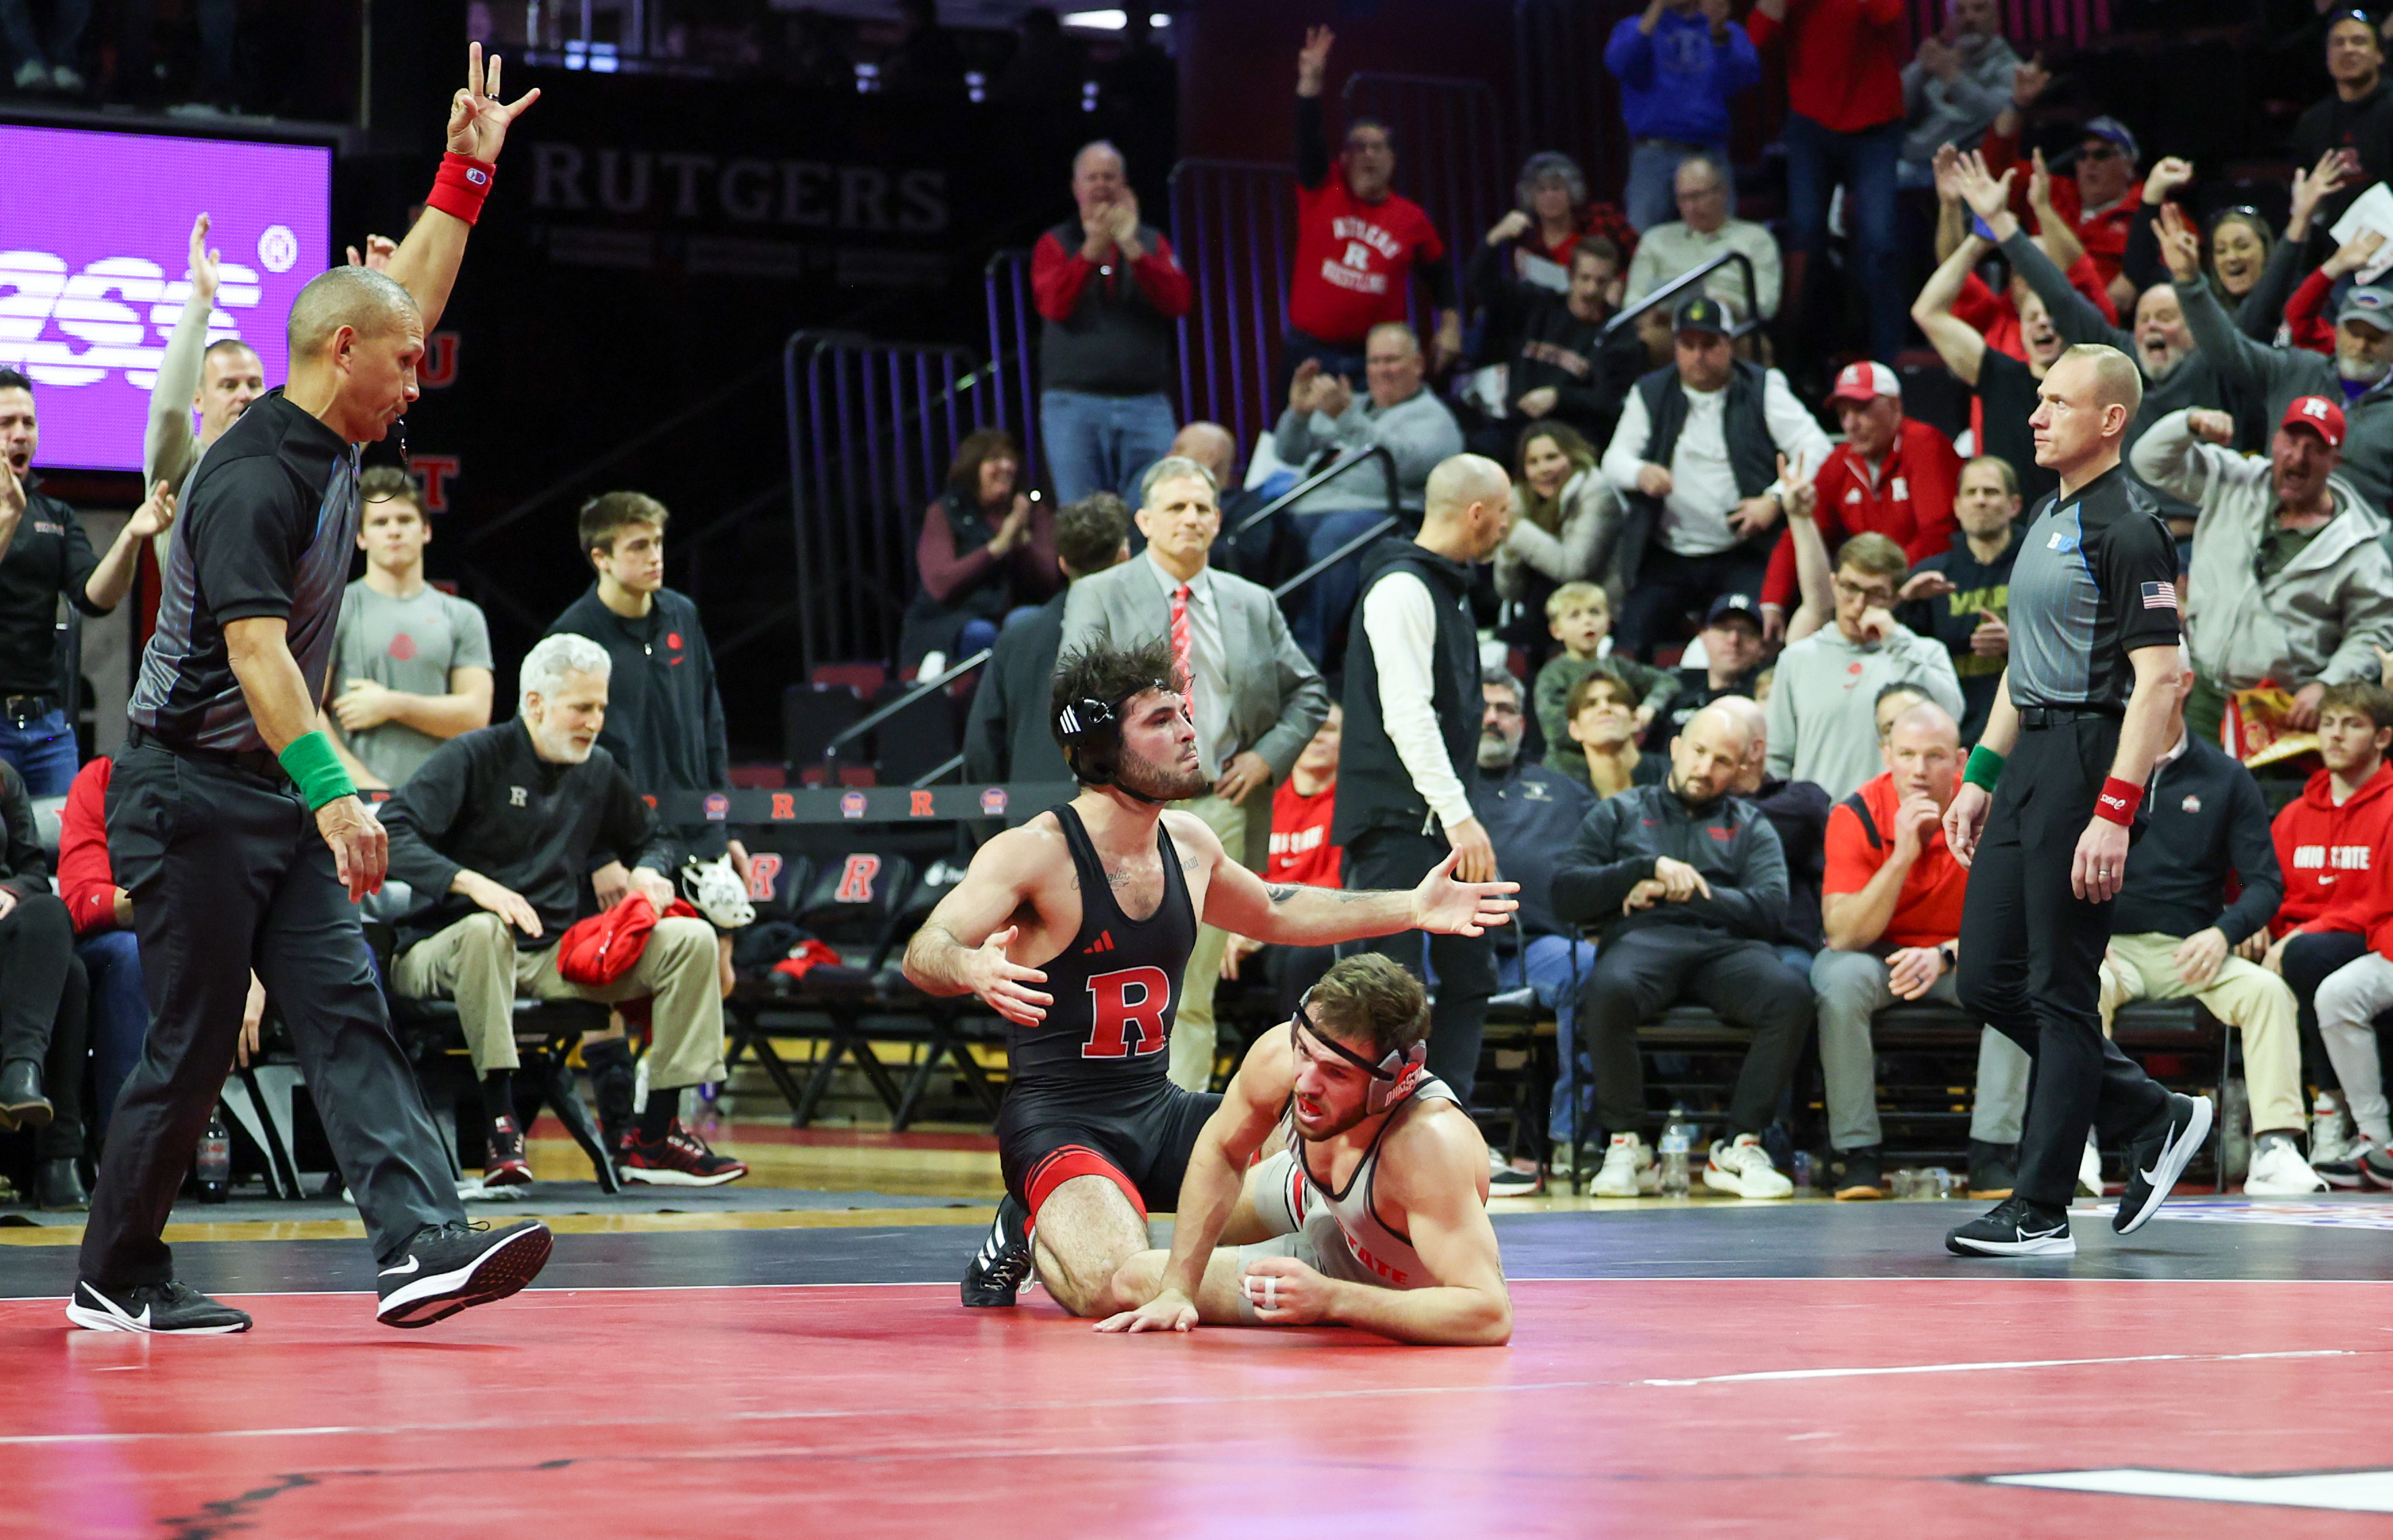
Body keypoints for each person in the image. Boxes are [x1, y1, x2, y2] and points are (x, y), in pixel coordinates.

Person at [74, 47, 553, 1335]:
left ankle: (417, 1248)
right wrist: (338, 794)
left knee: (343, 1009)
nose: (415, 385)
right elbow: (255, 656)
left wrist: (467, 167)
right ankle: (112, 1276)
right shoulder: (250, 477)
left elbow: (415, 287)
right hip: (187, 794)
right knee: (185, 1054)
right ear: (345, 354)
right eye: (403, 368)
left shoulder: (341, 418)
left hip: (270, 792)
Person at [901, 634, 1516, 1316]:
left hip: (1162, 1113)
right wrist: (969, 964)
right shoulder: (1034, 854)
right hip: (1061, 1123)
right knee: (1117, 1286)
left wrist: (1410, 906)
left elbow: (1275, 911)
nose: (1189, 732)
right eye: (1160, 721)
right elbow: (925, 946)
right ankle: (1035, 1217)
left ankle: (1356, 1252)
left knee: (1344, 1126)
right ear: (1103, 749)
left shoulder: (1188, 844)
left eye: (1184, 714)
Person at [1940, 342, 2213, 1260]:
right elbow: (2022, 667)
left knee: (2060, 990)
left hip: (2091, 755)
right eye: (2038, 399)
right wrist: (1978, 777)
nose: (2033, 414)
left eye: (2056, 401)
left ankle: (2042, 1207)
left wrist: (2113, 808)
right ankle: (2151, 1111)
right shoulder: (2045, 518)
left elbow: (2159, 680)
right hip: (2029, 761)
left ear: (2109, 421)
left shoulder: (2129, 528)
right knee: (1983, 977)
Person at [384, 635, 746, 1190]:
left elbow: (658, 837)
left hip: (552, 956)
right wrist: (473, 884)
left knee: (690, 938)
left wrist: (650, 867)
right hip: (443, 950)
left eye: (600, 707)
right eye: (581, 707)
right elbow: (393, 832)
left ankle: (656, 1135)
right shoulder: (473, 756)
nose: (594, 720)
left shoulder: (597, 770)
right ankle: (501, 1129)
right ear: (534, 704)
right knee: (486, 929)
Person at [1061, 457, 1331, 1093]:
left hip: (1220, 809)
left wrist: (1268, 756)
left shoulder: (1253, 602)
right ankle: (1101, 1120)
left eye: (1203, 508)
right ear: (1145, 520)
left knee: (1189, 984)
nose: (1191, 518)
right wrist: (1124, 773)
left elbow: (1310, 693)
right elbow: (1073, 697)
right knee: (1116, 976)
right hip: (1122, 812)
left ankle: (1173, 1138)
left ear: (1217, 521)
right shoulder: (1098, 592)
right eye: (1176, 507)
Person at [1095, 954, 1512, 1345]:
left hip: (1359, 1271)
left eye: (1336, 1072)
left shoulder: (1427, 1147)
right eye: (1305, 1052)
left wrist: (1333, 1299)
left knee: (1133, 1278)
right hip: (1312, 1189)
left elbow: (1489, 1313)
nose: (1306, 1084)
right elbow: (1223, 1151)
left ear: (1392, 1082)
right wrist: (1178, 1290)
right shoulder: (1282, 1055)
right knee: (1158, 1246)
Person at [1557, 704, 1811, 1199]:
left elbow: (1772, 910)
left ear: (1739, 770)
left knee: (1791, 994)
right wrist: (1641, 869)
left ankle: (1739, 1144)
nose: (1705, 768)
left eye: (1722, 760)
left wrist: (1695, 891)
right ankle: (1629, 1144)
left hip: (1728, 947)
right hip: (1644, 940)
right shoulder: (1620, 811)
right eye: (1698, 752)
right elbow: (1566, 892)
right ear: (1675, 748)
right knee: (1607, 986)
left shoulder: (1750, 824)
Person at [2091, 649, 2319, 1196]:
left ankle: (2275, 1147)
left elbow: (2266, 883)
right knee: (2073, 990)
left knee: (2267, 991)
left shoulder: (2225, 777)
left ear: (2184, 682)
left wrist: (2224, 933)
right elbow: (2052, 863)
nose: (2133, 690)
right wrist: (2079, 937)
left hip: (2192, 950)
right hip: (2107, 948)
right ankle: (2079, 1143)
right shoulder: (2094, 761)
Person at [1336, 455, 1519, 1101]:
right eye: (1503, 513)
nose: (1506, 526)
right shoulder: (1402, 588)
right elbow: (1407, 714)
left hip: (1437, 824)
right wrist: (1460, 814)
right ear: (1476, 513)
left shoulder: (1447, 590)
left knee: (1473, 976)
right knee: (1384, 993)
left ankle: (1444, 1118)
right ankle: (1369, 1134)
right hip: (1398, 826)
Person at [1953, 153, 2263, 530]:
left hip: (2206, 538)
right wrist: (2002, 224)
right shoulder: (2121, 359)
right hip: (2128, 543)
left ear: (2196, 329)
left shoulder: (2215, 362)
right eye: (2145, 319)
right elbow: (2061, 297)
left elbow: (2254, 314)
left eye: (2166, 319)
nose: (2152, 328)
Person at [1812, 699, 2031, 1202]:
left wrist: (1945, 954)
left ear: (1959, 762)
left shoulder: (1989, 808)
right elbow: (1843, 935)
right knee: (1837, 979)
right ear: (1886, 754)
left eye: (1934, 756)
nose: (1918, 769)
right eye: (1906, 754)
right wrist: (1903, 854)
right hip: (1877, 957)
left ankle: (1993, 1153)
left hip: (1963, 956)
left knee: (2018, 983)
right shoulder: (1855, 814)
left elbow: (2018, 921)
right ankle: (1859, 1155)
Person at [2134, 399, 2393, 746]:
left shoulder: (2359, 546)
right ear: (2274, 441)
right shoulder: (2232, 480)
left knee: (2267, 800)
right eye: (2291, 441)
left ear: (2335, 462)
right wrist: (2189, 421)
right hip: (2203, 691)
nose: (2298, 457)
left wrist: (2328, 684)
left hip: (2281, 710)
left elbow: (2373, 631)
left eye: (2314, 449)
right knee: (2190, 795)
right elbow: (2149, 461)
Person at [1600, 295, 1832, 659]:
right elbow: (1613, 460)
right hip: (1670, 552)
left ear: (1729, 345)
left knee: (1760, 636)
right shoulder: (1650, 392)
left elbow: (1816, 447)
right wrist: (1640, 472)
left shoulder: (1762, 386)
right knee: (1631, 637)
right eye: (1688, 345)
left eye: (1709, 345)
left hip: (1742, 550)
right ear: (1675, 346)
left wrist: (1773, 499)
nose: (1698, 355)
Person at [0, 378, 178, 794]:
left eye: (29, 422)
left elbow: (97, 598)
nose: (21, 434)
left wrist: (132, 537)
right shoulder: (16, 510)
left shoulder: (54, 514)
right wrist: (9, 516)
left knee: (66, 847)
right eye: (6, 423)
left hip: (46, 728)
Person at [2261, 681, 2393, 1179]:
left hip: (2367, 936)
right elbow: (2268, 888)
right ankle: (2330, 1125)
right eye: (2328, 723)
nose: (2335, 736)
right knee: (2293, 961)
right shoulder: (2295, 814)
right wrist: (2258, 928)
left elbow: (2380, 904)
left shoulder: (2389, 805)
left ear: (2382, 738)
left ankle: (2330, 1112)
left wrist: (2306, 931)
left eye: (2352, 725)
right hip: (2306, 942)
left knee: (2306, 958)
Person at [1273, 323, 1464, 664]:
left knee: (1335, 537)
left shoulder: (1435, 419)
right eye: (1374, 361)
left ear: (1418, 364)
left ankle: (1302, 656)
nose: (1381, 370)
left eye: (1392, 360)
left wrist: (1346, 417)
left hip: (1379, 517)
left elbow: (1404, 464)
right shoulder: (1353, 403)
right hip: (1307, 504)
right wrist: (1299, 414)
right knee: (1248, 528)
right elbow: (1290, 452)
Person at [1473, 667, 1601, 1170]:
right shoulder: (1437, 787)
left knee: (1589, 965)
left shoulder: (1564, 792)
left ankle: (1571, 1138)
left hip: (1536, 950)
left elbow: (1602, 865)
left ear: (1523, 724)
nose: (1492, 719)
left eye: (1504, 710)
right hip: (1443, 945)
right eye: (1483, 707)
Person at [1286, 26, 1461, 390]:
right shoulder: (1323, 187)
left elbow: (1441, 276)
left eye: (1378, 148)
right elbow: (1308, 136)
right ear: (1344, 158)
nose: (1369, 155)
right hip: (1310, 352)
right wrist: (1310, 84)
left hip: (1374, 362)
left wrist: (1451, 327)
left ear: (1393, 160)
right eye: (1360, 147)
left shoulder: (1411, 218)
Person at [1031, 141, 1192, 507]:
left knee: (1158, 513)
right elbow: (1053, 306)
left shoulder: (1151, 242)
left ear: (1125, 186)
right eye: (1092, 178)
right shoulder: (1055, 243)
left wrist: (1132, 247)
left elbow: (1178, 302)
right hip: (1073, 405)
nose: (1101, 185)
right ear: (1076, 188)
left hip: (1145, 405)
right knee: (1084, 523)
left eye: (1110, 177)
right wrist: (1092, 249)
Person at [1747, 0, 1908, 361]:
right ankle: (1805, 361)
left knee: (1879, 244)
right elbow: (1755, 41)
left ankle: (1890, 362)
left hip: (1874, 120)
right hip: (1810, 121)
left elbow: (1889, 14)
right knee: (1805, 240)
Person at [322, 467, 494, 790]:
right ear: (360, 537)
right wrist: (357, 782)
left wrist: (391, 704)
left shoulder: (463, 616)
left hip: (441, 797)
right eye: (380, 522)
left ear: (426, 531)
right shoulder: (337, 608)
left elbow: (475, 715)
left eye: (405, 520)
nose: (394, 531)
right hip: (358, 795)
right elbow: (306, 711)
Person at [1760, 363, 1960, 638]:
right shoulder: (1842, 461)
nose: (1850, 424)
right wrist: (1773, 600)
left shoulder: (1924, 444)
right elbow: (1806, 532)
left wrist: (1884, 588)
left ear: (1894, 406)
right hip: (1867, 594)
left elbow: (1938, 537)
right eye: (1843, 414)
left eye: (1861, 410)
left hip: (1924, 593)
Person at [1767, 532, 1964, 800]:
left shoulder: (1925, 653)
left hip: (1900, 825)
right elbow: (1776, 757)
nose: (1859, 605)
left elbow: (1949, 717)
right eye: (1850, 587)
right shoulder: (1796, 658)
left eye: (1875, 594)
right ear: (1834, 584)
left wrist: (1895, 641)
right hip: (1817, 828)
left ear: (1895, 599)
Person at [964, 492, 1132, 786]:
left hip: (1028, 817)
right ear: (1125, 556)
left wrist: (993, 826)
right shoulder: (1142, 632)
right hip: (1120, 820)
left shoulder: (1017, 636)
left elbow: (982, 747)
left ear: (1063, 563)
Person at [892, 430, 1062, 673]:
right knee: (980, 633)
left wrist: (1023, 542)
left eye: (1010, 459)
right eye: (994, 459)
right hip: (950, 619)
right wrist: (997, 547)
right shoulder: (946, 511)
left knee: (1029, 622)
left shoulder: (1032, 513)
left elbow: (1049, 580)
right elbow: (940, 584)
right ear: (973, 468)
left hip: (1010, 615)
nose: (1006, 466)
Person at [1467, 230, 1644, 455]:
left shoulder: (1619, 332)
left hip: (1575, 437)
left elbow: (1608, 401)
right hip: (1521, 428)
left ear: (1612, 282)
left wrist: (1559, 397)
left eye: (1601, 281)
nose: (1591, 290)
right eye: (1585, 278)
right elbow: (1482, 286)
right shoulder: (1538, 307)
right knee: (1480, 450)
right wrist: (1494, 239)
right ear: (1570, 275)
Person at [1220, 705, 1346, 1021]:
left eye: (1329, 729)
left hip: (1308, 931)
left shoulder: (1349, 804)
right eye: (1310, 729)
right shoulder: (1264, 798)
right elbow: (1242, 878)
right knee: (1199, 951)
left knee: (1301, 960)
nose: (1317, 738)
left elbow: (1334, 893)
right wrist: (1233, 931)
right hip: (1257, 930)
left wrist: (1265, 928)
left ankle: (1293, 1060)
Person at [0, 752, 86, 1208]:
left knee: (52, 915)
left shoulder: (4, 778)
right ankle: (60, 1158)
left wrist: (10, 891)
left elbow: (35, 872)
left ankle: (21, 1073)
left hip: (5, 928)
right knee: (69, 977)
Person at [1895, 457, 2021, 745]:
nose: (1980, 501)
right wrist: (1905, 600)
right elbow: (1896, 653)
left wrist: (2016, 645)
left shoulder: (2037, 561)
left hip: (2024, 727)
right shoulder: (1931, 575)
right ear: (1957, 507)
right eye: (1971, 493)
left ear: (2014, 505)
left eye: (1991, 492)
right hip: (1953, 731)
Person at [1604, 0, 1760, 232]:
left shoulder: (1728, 31)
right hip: (1654, 154)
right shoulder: (1635, 27)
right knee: (1642, 238)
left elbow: (1743, 79)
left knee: (1720, 238)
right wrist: (1657, 8)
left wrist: (1718, 34)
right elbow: (1621, 65)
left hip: (1710, 151)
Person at [143, 212, 266, 504]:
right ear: (197, 399)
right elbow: (170, 410)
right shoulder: (183, 464)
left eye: (255, 384)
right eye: (229, 385)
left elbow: (344, 437)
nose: (245, 395)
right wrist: (202, 299)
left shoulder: (281, 464)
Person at [1982, 113, 2145, 309]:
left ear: (2128, 163)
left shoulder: (2149, 214)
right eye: (2082, 156)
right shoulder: (2052, 192)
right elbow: (1998, 170)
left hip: (2094, 320)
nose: (2089, 164)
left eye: (2101, 155)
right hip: (2024, 314)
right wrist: (2018, 104)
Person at [1496, 431, 1628, 671]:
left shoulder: (1596, 493)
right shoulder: (1521, 500)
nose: (1543, 468)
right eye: (1533, 462)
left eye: (1551, 457)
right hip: (1543, 614)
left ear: (1574, 457)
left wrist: (1517, 531)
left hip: (1596, 611)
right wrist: (1509, 551)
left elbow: (1573, 568)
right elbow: (1509, 591)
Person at [1622, 155, 1784, 329]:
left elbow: (1767, 306)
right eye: (1683, 198)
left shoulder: (1756, 238)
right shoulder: (1655, 239)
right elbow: (1632, 302)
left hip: (1732, 329)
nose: (1691, 206)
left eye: (1698, 196)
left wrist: (1729, 305)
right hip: (1669, 329)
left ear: (1722, 192)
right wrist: (1649, 312)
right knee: (1642, 342)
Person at [1533, 581, 1678, 768]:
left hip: (1620, 766)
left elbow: (1668, 681)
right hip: (1568, 771)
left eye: (1595, 612)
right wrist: (1613, 730)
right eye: (1575, 615)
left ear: (1608, 621)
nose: (1587, 621)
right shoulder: (1552, 675)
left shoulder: (1618, 665)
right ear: (1556, 630)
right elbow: (1556, 731)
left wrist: (1650, 706)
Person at [2291, 9, 2393, 229]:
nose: (2348, 50)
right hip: (2337, 253)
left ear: (2380, 55)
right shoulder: (2312, 123)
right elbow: (2308, 207)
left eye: (2359, 42)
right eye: (2338, 43)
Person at [1898, 0, 2021, 181]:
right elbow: (1895, 107)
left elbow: (1997, 114)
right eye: (1960, 11)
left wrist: (1952, 76)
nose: (1969, 18)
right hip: (1911, 158)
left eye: (1978, 9)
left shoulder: (2010, 67)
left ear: (1996, 19)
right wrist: (1920, 71)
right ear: (1950, 21)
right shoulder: (1940, 56)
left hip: (1968, 169)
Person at [1493, 151, 1640, 291]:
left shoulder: (1601, 217)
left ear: (1571, 191)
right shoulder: (1529, 245)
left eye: (1557, 188)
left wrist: (1619, 282)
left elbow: (1640, 256)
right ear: (1530, 196)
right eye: (1541, 190)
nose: (1550, 196)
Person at [1557, 669, 1669, 798]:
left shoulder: (1671, 778)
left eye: (1615, 700)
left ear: (1635, 719)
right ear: (1575, 730)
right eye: (1590, 704)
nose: (1604, 708)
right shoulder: (1569, 796)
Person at [1665, 592, 1766, 735]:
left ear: (1762, 647)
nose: (1734, 640)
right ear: (1704, 636)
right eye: (1724, 630)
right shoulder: (1676, 691)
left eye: (1746, 632)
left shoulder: (1765, 700)